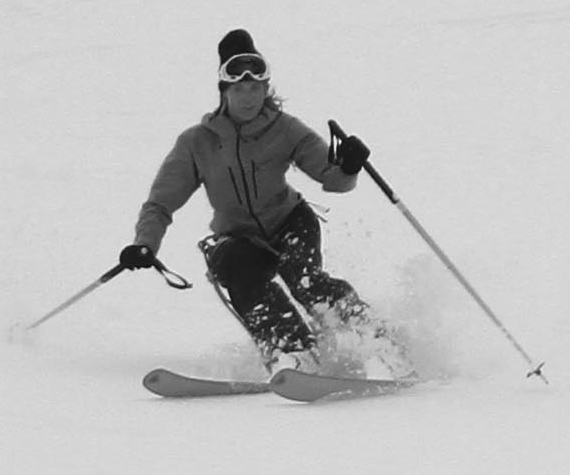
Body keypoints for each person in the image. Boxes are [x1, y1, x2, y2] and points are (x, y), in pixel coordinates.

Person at [108, 29, 373, 360]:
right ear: (224, 90)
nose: (248, 97)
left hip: (291, 222)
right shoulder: (197, 142)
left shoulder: (286, 128)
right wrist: (145, 244)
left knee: (305, 280)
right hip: (239, 237)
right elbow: (160, 203)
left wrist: (349, 166)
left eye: (255, 88)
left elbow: (333, 180)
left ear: (265, 89)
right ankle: (295, 353)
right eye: (239, 88)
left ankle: (371, 336)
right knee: (239, 273)